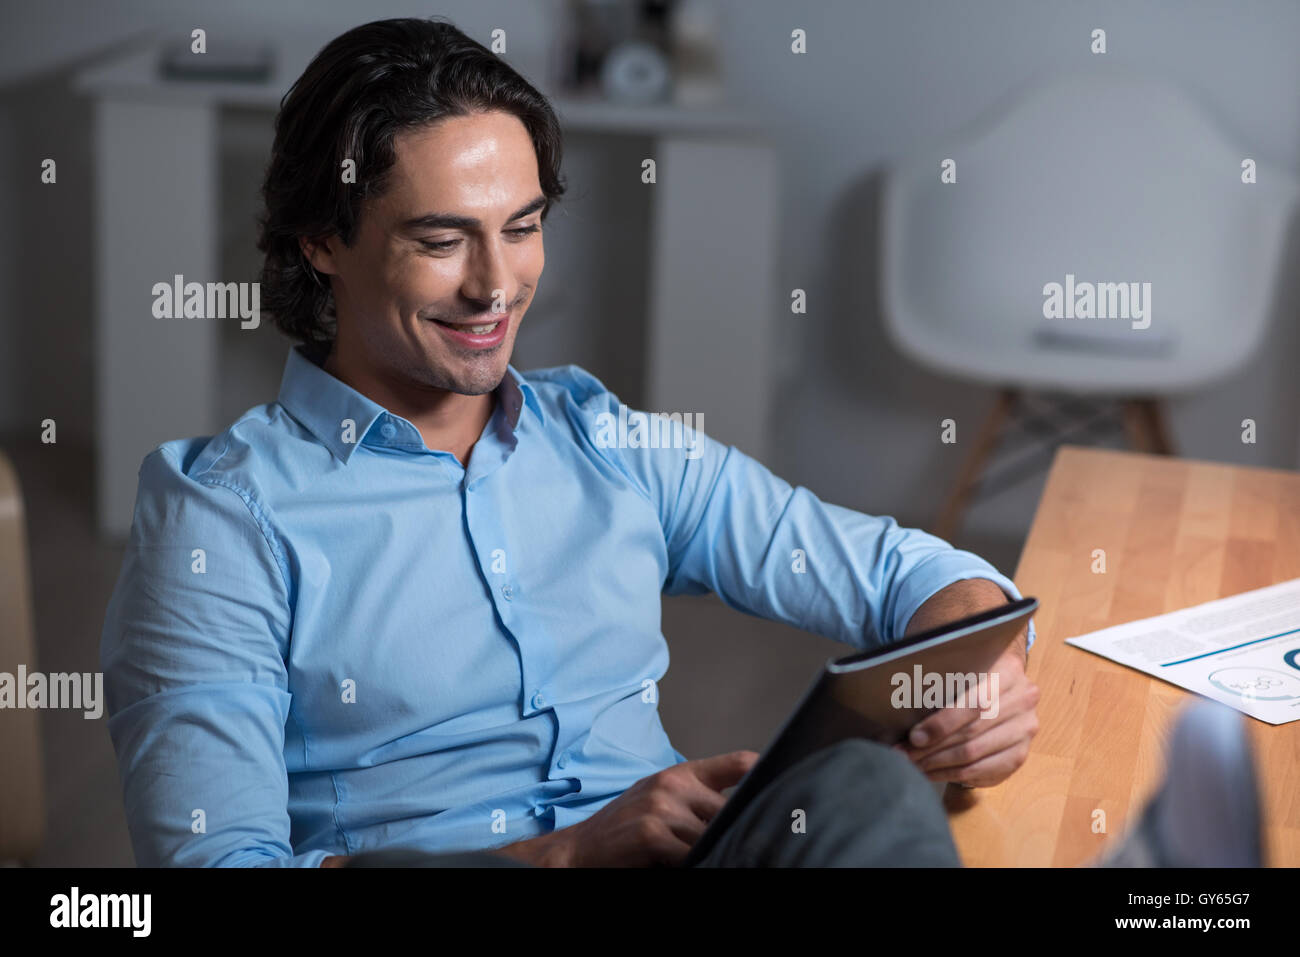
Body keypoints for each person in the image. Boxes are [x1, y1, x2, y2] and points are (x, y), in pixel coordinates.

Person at [100, 16, 1041, 868]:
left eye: (524, 227)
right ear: (321, 239)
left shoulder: (607, 442)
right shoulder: (222, 518)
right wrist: (566, 855)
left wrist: (977, 684)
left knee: (865, 787)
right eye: (442, 241)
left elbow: (902, 573)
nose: (497, 286)